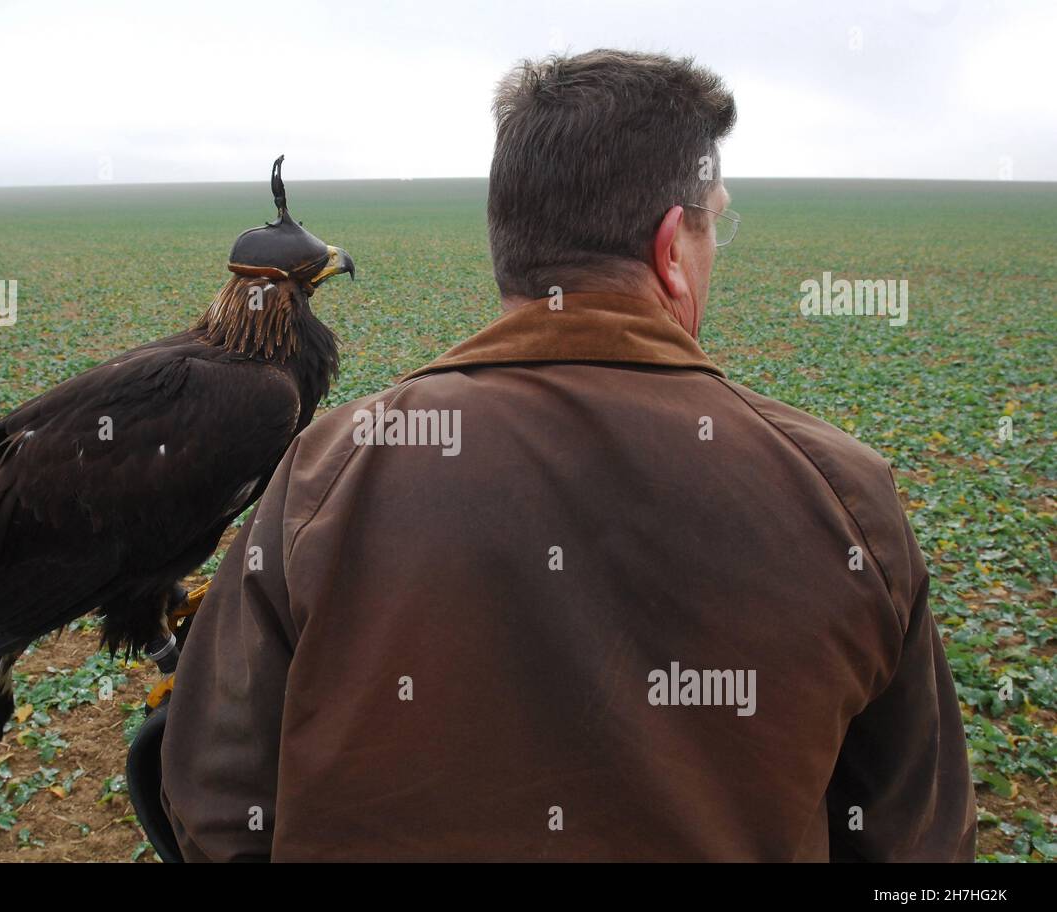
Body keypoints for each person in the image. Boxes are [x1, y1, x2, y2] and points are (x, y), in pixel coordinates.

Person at [160, 49, 977, 862]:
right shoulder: (843, 500)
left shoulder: (329, 474)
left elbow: (215, 800)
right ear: (669, 249)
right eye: (713, 221)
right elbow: (918, 854)